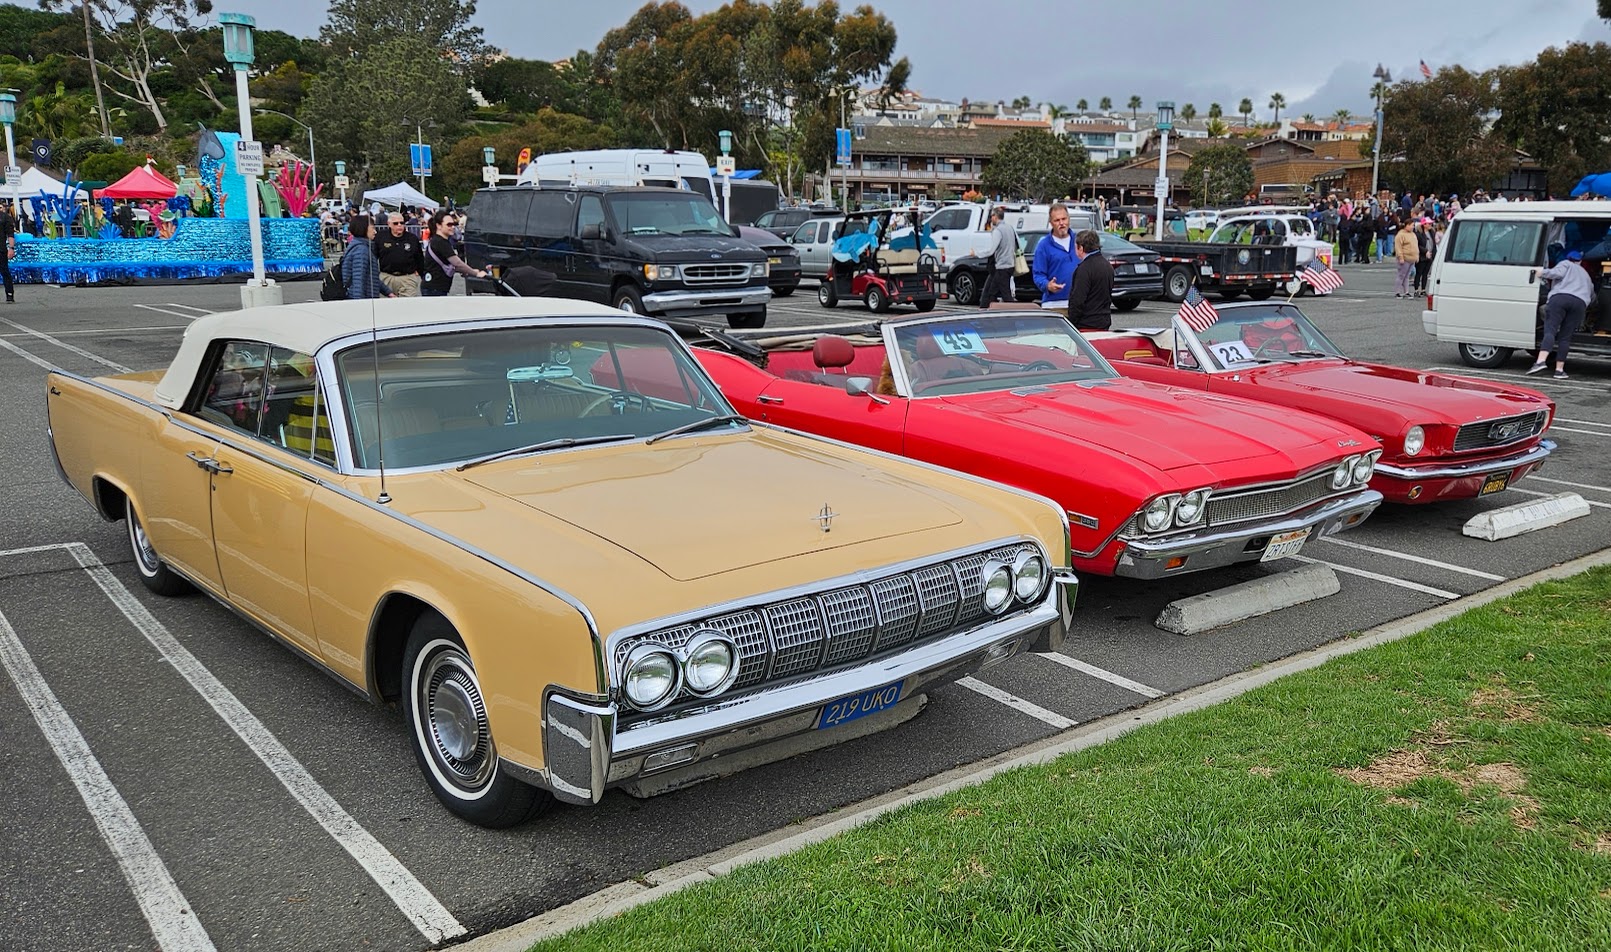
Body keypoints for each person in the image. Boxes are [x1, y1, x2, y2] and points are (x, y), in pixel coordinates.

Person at [1529, 250, 1593, 379]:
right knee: (1565, 337)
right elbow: (1592, 295)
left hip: (1560, 299)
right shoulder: (1586, 275)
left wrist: (1540, 273)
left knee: (1550, 331)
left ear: (1568, 258)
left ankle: (1540, 361)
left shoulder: (1566, 264)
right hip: (1579, 303)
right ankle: (1559, 370)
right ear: (1580, 261)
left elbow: (1556, 273)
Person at [421, 210, 486, 297]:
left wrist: (465, 270)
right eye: (448, 225)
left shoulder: (440, 241)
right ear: (438, 225)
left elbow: (448, 264)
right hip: (434, 288)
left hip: (436, 287)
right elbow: (457, 263)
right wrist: (475, 273)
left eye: (453, 224)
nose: (452, 227)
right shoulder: (440, 242)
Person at [1031, 203, 1077, 313]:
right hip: (1054, 305)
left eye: (1064, 219)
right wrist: (1047, 285)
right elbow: (1038, 275)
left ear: (1069, 219)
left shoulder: (1079, 241)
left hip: (1079, 304)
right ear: (1051, 223)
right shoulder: (1043, 246)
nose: (1061, 223)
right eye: (1057, 220)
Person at [1065, 229, 1113, 331]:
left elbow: (1077, 300)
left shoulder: (1083, 269)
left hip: (1086, 324)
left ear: (1081, 248)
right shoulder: (1107, 265)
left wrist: (1072, 322)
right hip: (1103, 321)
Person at [374, 212, 423, 297]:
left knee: (407, 306)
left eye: (402, 223)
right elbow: (373, 257)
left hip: (407, 278)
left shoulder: (412, 239)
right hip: (386, 277)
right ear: (389, 224)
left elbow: (420, 260)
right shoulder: (380, 237)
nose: (399, 225)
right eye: (396, 223)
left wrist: (424, 277)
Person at [341, 214, 388, 300]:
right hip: (365, 299)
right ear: (363, 228)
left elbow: (371, 277)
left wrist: (388, 292)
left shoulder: (358, 246)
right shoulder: (361, 250)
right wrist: (360, 303)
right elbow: (358, 280)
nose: (375, 231)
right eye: (372, 228)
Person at [978, 207, 1017, 308]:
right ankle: (990, 310)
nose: (991, 219)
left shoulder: (998, 231)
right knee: (992, 292)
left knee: (1005, 294)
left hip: (1001, 267)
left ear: (995, 217)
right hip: (1010, 265)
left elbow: (991, 250)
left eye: (991, 216)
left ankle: (1013, 314)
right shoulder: (1010, 228)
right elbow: (1017, 245)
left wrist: (977, 254)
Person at [1393, 218, 1417, 297]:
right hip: (1405, 258)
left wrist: (1416, 256)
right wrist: (1400, 257)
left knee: (1407, 276)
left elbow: (1415, 246)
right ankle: (1397, 292)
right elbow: (1398, 247)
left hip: (1411, 258)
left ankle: (1406, 292)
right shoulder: (1400, 235)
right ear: (1407, 225)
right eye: (1412, 225)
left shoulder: (1413, 234)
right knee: (1401, 275)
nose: (1413, 227)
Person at [0, 203, 15, 303]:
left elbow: (10, 234)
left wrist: (11, 248)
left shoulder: (5, 217)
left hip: (1, 249)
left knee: (5, 271)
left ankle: (9, 293)